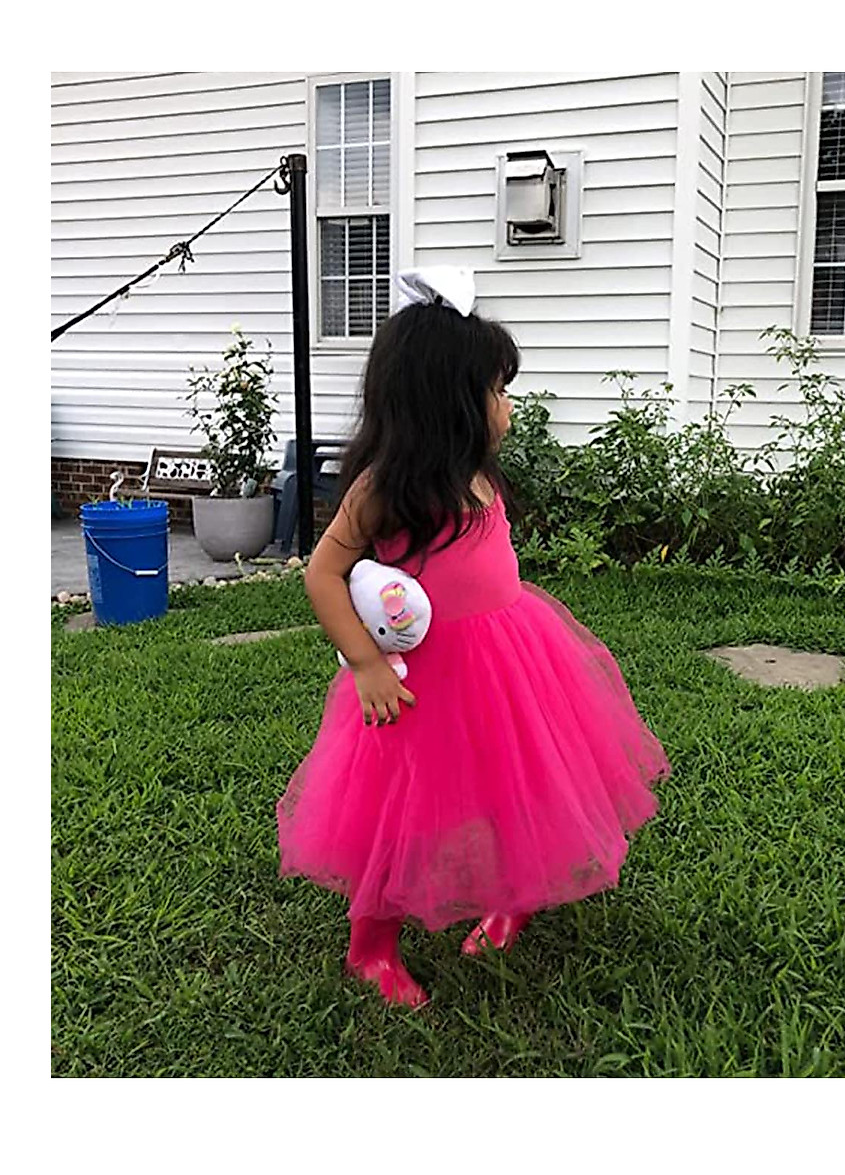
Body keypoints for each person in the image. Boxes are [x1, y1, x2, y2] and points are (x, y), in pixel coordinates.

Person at [276, 268, 669, 1009]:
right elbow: (324, 574)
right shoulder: (385, 490)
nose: (507, 405)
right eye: (497, 389)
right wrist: (365, 663)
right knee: (398, 813)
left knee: (510, 789)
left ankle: (511, 897)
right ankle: (372, 947)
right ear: (449, 401)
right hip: (420, 684)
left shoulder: (480, 478)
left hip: (510, 667)